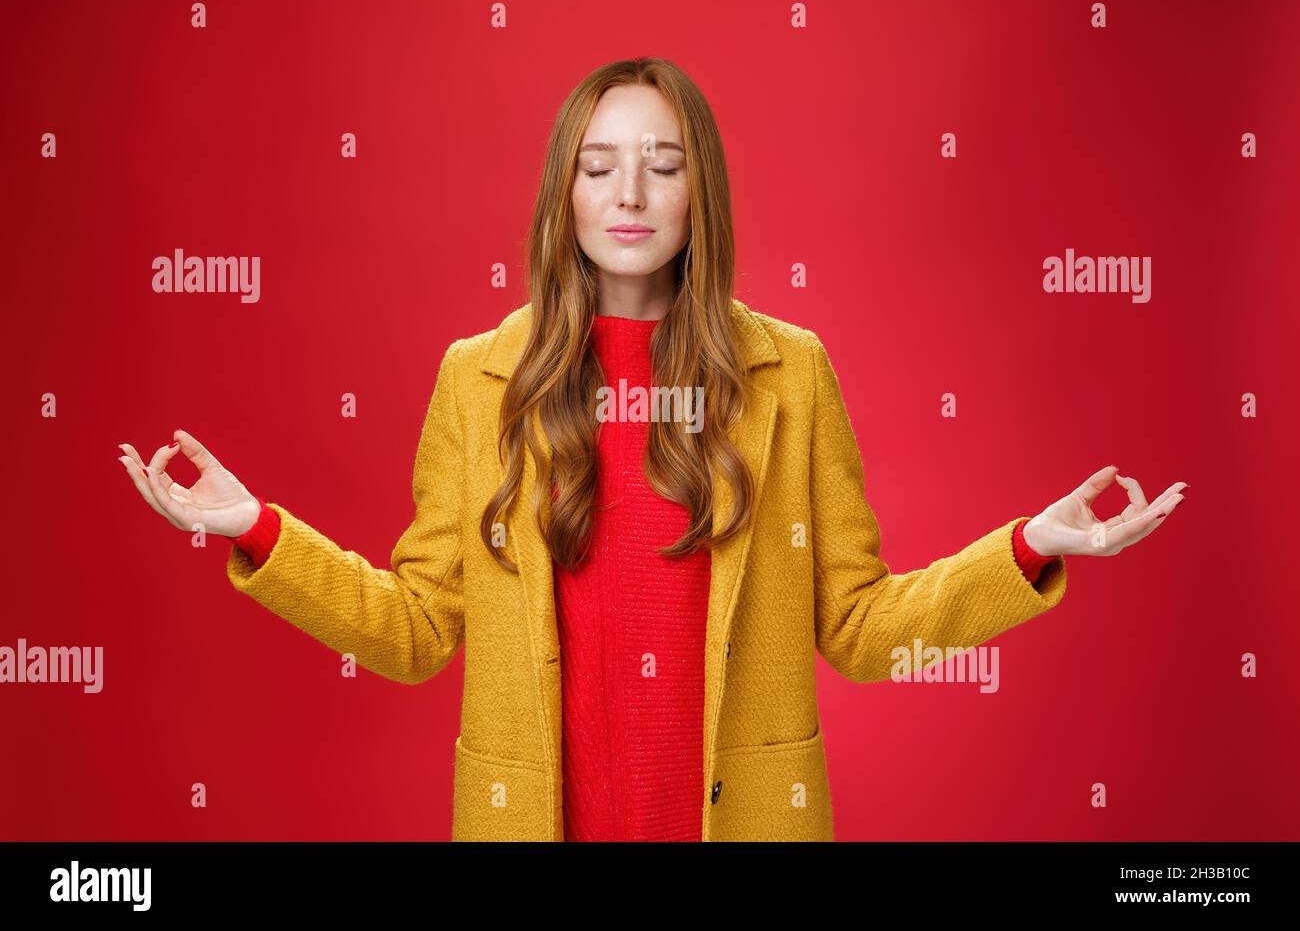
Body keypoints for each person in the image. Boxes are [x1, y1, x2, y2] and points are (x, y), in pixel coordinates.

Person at [118, 57, 1187, 842]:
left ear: (698, 192)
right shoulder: (476, 379)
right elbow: (413, 629)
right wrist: (254, 526)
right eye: (600, 167)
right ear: (564, 192)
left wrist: (1026, 549)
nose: (629, 195)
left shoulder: (791, 372)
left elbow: (858, 627)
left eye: (662, 166)